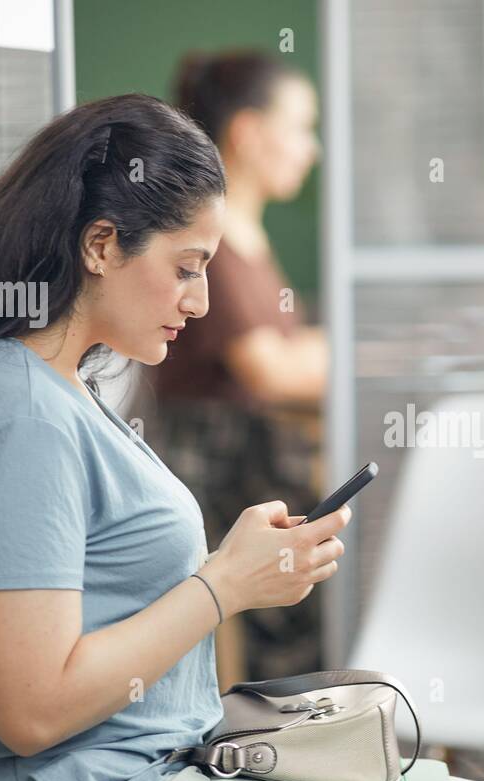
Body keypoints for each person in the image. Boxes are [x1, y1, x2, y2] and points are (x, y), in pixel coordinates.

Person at [0, 92, 484, 781]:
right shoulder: (16, 415)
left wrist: (241, 572)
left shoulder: (61, 390)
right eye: (185, 268)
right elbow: (32, 709)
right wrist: (224, 586)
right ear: (99, 245)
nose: (201, 300)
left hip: (135, 775)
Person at [146, 50, 329, 683]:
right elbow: (269, 369)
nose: (313, 150)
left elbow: (293, 349)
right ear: (249, 134)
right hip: (222, 477)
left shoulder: (247, 237)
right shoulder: (215, 244)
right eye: (302, 128)